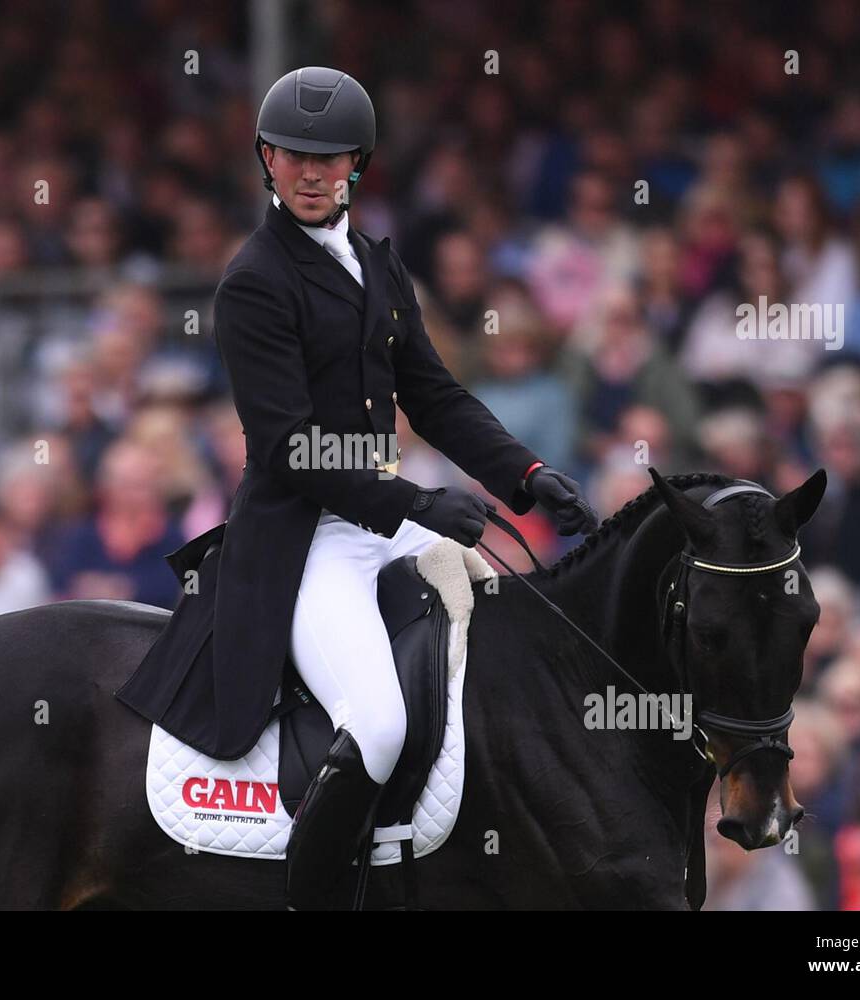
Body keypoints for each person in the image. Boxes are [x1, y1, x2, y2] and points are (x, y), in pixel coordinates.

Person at [115, 67, 596, 910]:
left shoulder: (377, 264)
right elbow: (290, 446)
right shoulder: (254, 282)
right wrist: (417, 503)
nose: (311, 173)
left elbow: (436, 397)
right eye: (294, 157)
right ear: (266, 159)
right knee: (375, 722)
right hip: (307, 543)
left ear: (356, 166)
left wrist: (526, 475)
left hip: (383, 521)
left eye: (329, 159)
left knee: (516, 640)